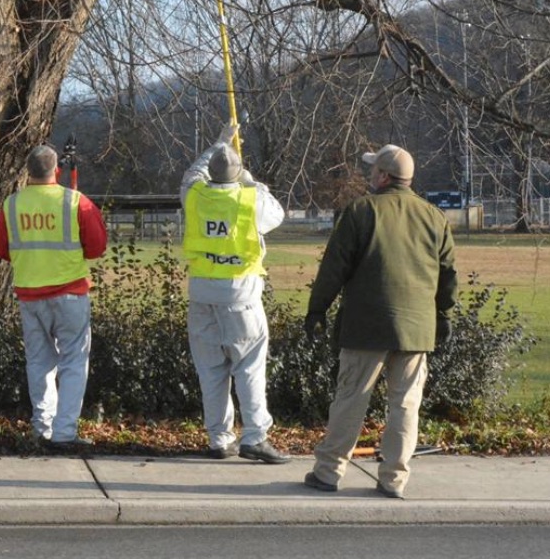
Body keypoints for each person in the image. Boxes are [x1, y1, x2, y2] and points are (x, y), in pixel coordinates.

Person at [303, 144, 457, 500]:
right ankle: (394, 479)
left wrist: (317, 310)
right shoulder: (434, 216)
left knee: (351, 398)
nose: (369, 174)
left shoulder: (360, 211)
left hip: (365, 325)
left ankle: (328, 472)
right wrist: (444, 314)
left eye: (373, 170)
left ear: (384, 176)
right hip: (416, 328)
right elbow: (448, 274)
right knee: (405, 405)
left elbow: (333, 269)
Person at [180, 122, 290, 464]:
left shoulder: (195, 195)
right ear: (238, 175)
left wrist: (219, 142)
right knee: (249, 369)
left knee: (211, 370)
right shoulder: (250, 200)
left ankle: (219, 438)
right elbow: (276, 212)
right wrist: (249, 179)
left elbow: (192, 172)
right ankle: (255, 437)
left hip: (202, 295)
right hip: (241, 297)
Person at [0, 144, 107, 449]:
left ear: (28, 172)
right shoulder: (76, 202)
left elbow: (0, 248)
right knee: (73, 362)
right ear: (57, 170)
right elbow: (96, 247)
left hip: (30, 295)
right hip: (69, 293)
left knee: (39, 362)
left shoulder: (12, 205)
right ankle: (65, 432)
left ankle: (42, 428)